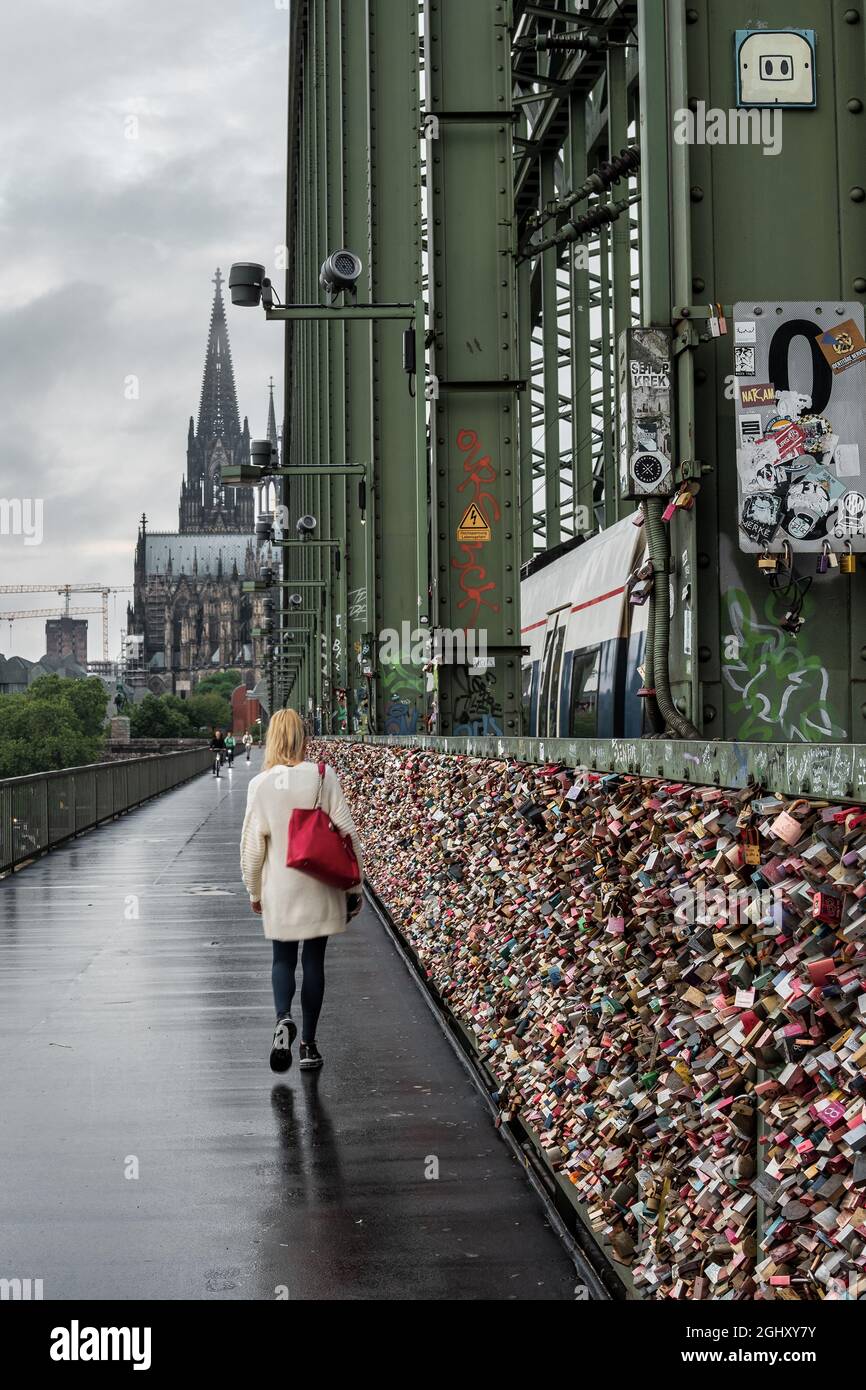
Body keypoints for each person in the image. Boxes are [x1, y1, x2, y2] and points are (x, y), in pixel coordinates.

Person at [240, 708, 363, 1073]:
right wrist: (354, 885)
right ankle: (309, 1045)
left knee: (282, 959)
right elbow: (346, 832)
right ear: (303, 738)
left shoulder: (260, 784)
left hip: (280, 886)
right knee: (314, 962)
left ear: (272, 739)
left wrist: (254, 891)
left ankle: (283, 1020)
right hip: (320, 885)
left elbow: (252, 848)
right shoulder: (323, 776)